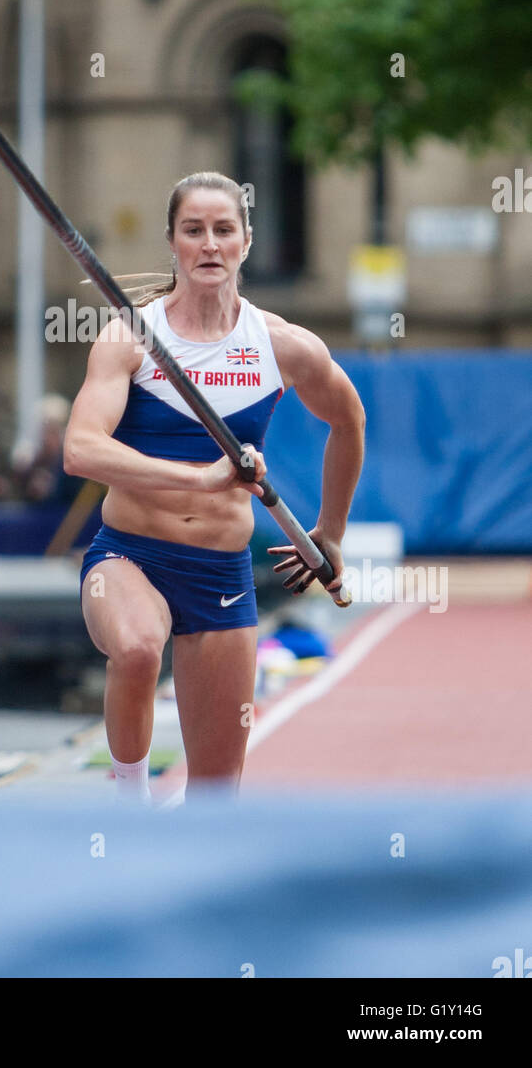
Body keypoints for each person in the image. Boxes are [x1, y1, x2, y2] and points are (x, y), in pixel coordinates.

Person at [63, 171, 365, 803]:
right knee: (139, 649)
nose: (208, 244)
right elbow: (80, 449)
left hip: (221, 574)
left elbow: (349, 419)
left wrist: (330, 530)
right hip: (129, 556)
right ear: (172, 243)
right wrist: (201, 478)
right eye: (193, 231)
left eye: (222, 230)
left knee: (215, 798)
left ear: (245, 243)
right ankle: (129, 809)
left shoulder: (282, 346)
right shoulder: (131, 339)